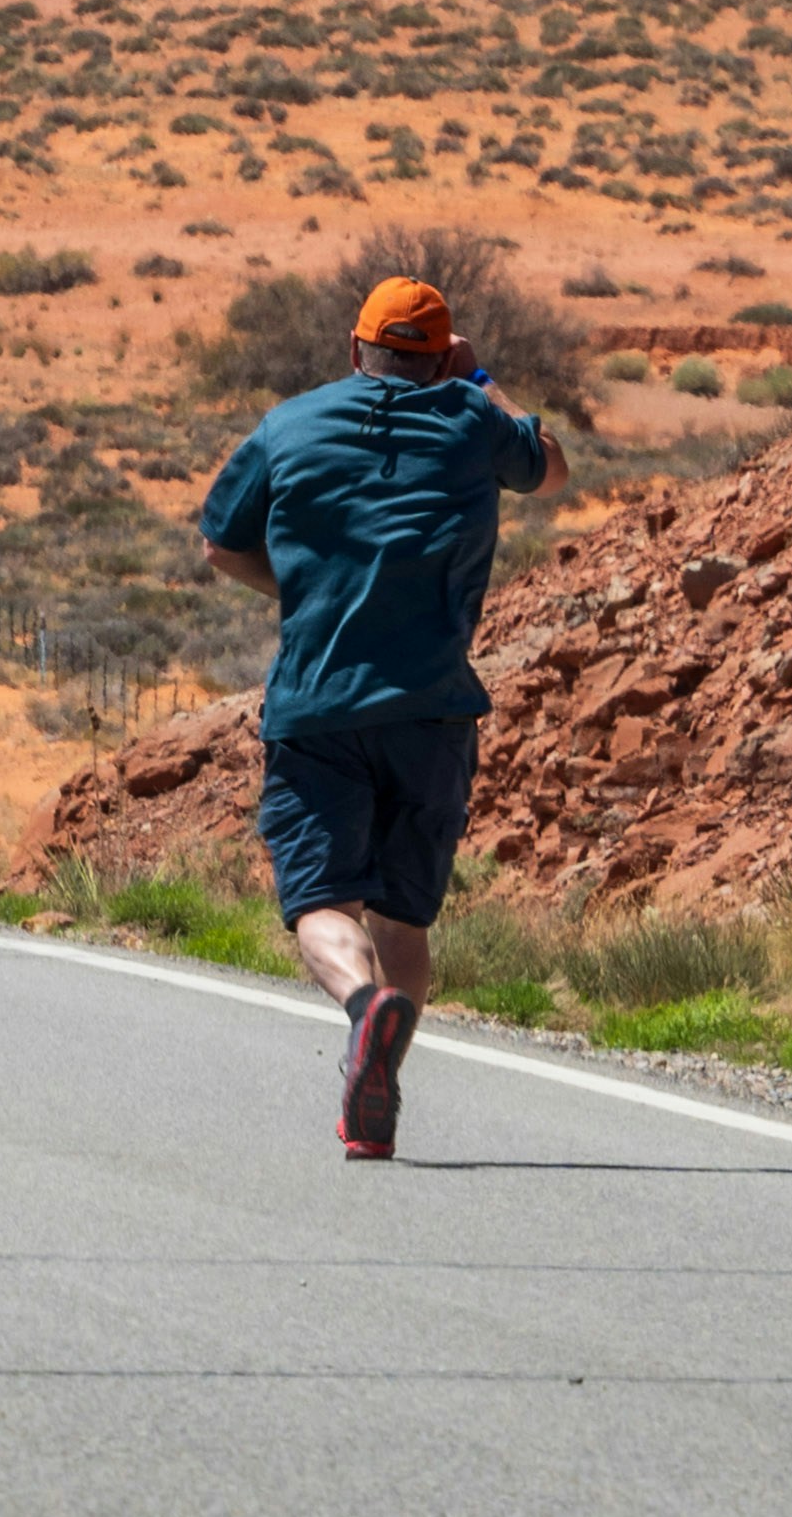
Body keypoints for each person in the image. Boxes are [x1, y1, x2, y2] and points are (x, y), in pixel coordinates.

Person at [195, 270, 557, 1158]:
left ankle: (363, 1008)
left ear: (354, 348)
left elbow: (219, 544)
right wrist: (478, 380)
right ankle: (377, 1088)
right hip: (433, 711)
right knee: (403, 921)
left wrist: (305, 591)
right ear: (439, 358)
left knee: (321, 902)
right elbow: (547, 466)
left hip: (317, 705)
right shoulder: (469, 418)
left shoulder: (289, 424)